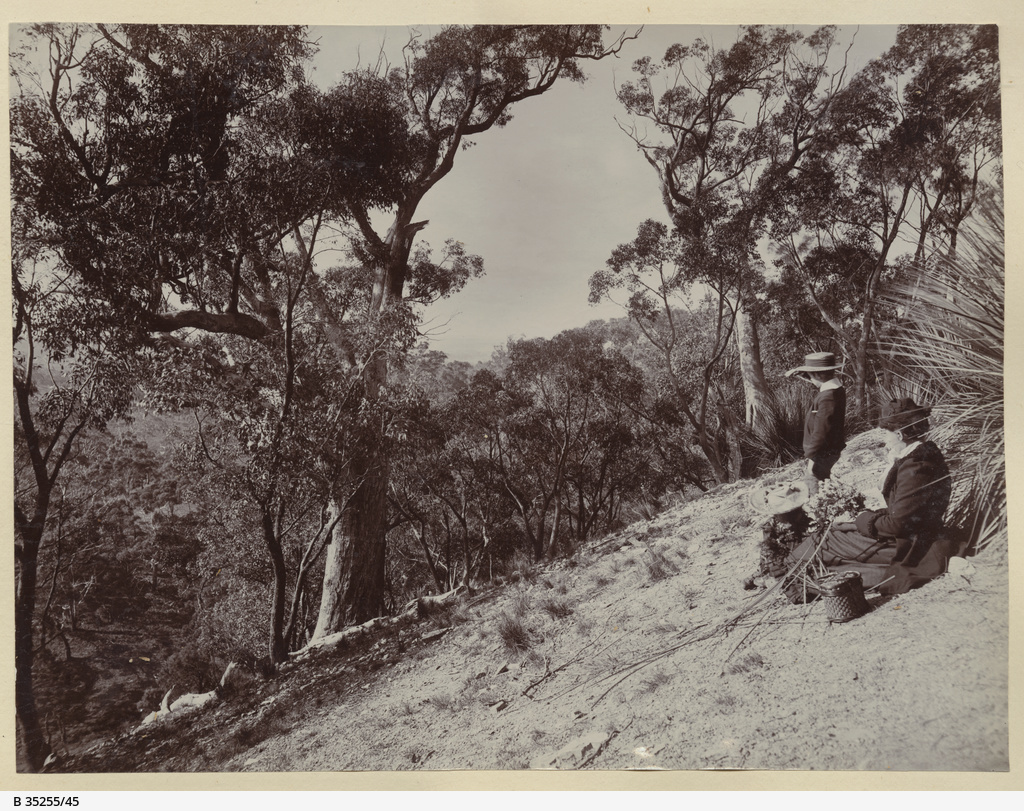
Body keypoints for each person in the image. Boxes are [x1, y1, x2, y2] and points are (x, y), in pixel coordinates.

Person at [775, 397, 958, 598]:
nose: (885, 439)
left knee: (822, 542)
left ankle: (805, 580)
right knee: (832, 533)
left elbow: (898, 524)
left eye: (886, 433)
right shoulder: (919, 457)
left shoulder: (916, 466)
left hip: (912, 544)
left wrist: (863, 518)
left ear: (899, 434)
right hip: (911, 536)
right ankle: (814, 577)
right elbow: (905, 512)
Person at [785, 351, 847, 488]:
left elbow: (821, 430)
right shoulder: (836, 390)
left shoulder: (827, 397)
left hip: (822, 454)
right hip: (827, 451)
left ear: (818, 375)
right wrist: (803, 372)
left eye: (811, 376)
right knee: (824, 486)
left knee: (814, 485)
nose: (810, 380)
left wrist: (811, 455)